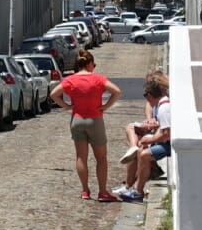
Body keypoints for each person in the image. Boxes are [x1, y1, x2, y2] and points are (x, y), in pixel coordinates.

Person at [49, 50, 123, 202]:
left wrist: (67, 106)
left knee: (81, 157)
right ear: (89, 64)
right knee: (101, 157)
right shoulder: (98, 79)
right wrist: (106, 106)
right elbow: (117, 91)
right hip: (95, 119)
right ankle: (102, 191)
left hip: (77, 120)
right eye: (93, 64)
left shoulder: (70, 80)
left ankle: (85, 190)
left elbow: (53, 94)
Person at [118, 79, 172, 202]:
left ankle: (138, 191)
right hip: (165, 141)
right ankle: (133, 186)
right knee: (139, 148)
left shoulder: (164, 108)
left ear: (150, 96)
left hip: (169, 144)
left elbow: (166, 135)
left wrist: (149, 140)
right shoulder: (163, 105)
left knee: (144, 154)